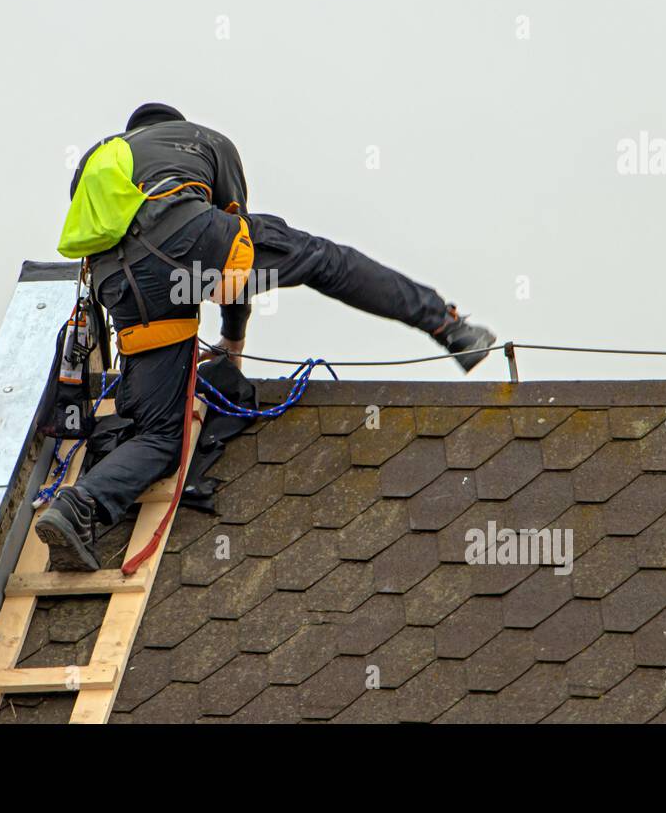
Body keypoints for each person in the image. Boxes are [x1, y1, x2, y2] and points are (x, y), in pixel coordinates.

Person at [34, 102, 495, 571]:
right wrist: (232, 346)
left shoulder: (97, 157)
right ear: (174, 123)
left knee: (159, 436)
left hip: (120, 285)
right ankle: (447, 324)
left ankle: (78, 507)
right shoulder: (205, 139)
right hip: (187, 244)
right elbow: (234, 265)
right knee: (324, 260)